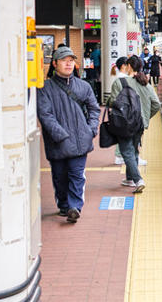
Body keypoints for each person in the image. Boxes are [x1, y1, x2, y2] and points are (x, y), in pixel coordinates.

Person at [36, 46, 100, 223]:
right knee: (59, 177)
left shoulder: (84, 86)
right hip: (58, 142)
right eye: (64, 60)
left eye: (71, 60)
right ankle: (64, 206)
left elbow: (94, 109)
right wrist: (61, 135)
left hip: (80, 140)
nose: (69, 64)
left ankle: (74, 207)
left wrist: (91, 129)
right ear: (55, 63)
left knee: (76, 175)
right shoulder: (44, 88)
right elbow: (45, 115)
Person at [109, 55, 160, 192]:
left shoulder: (119, 82)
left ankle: (138, 179)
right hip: (140, 124)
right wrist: (145, 117)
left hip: (125, 123)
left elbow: (112, 102)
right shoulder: (146, 84)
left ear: (129, 66)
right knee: (134, 149)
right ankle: (130, 178)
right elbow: (156, 104)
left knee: (126, 151)